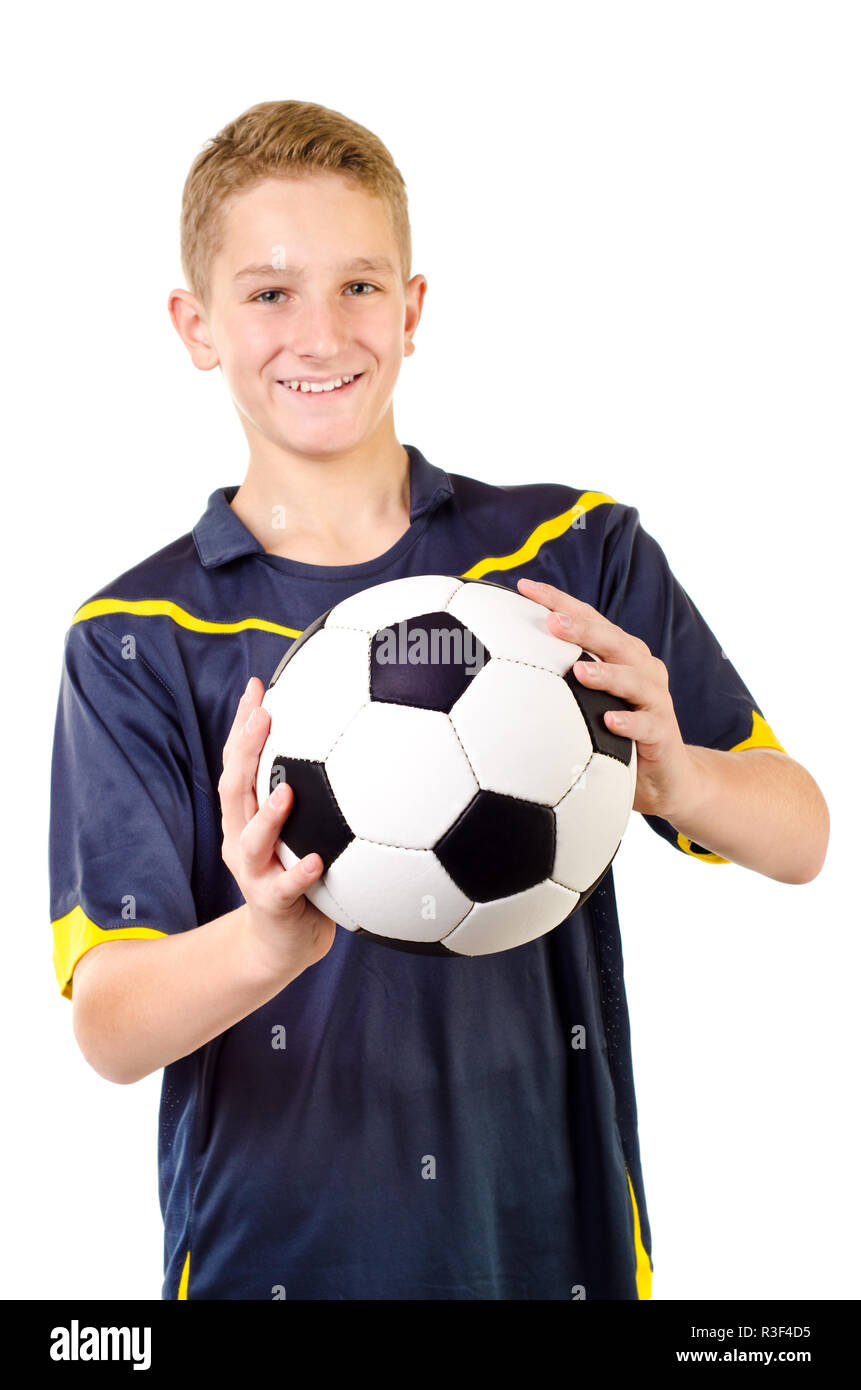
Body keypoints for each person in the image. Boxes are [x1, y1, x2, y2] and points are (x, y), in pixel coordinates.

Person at [49, 99, 829, 1302]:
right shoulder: (137, 639)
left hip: (547, 1247)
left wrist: (673, 770)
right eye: (268, 293)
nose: (320, 331)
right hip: (277, 1258)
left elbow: (800, 834)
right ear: (195, 327)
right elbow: (109, 1023)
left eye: (360, 286)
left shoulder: (572, 556)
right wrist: (264, 939)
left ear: (412, 309)